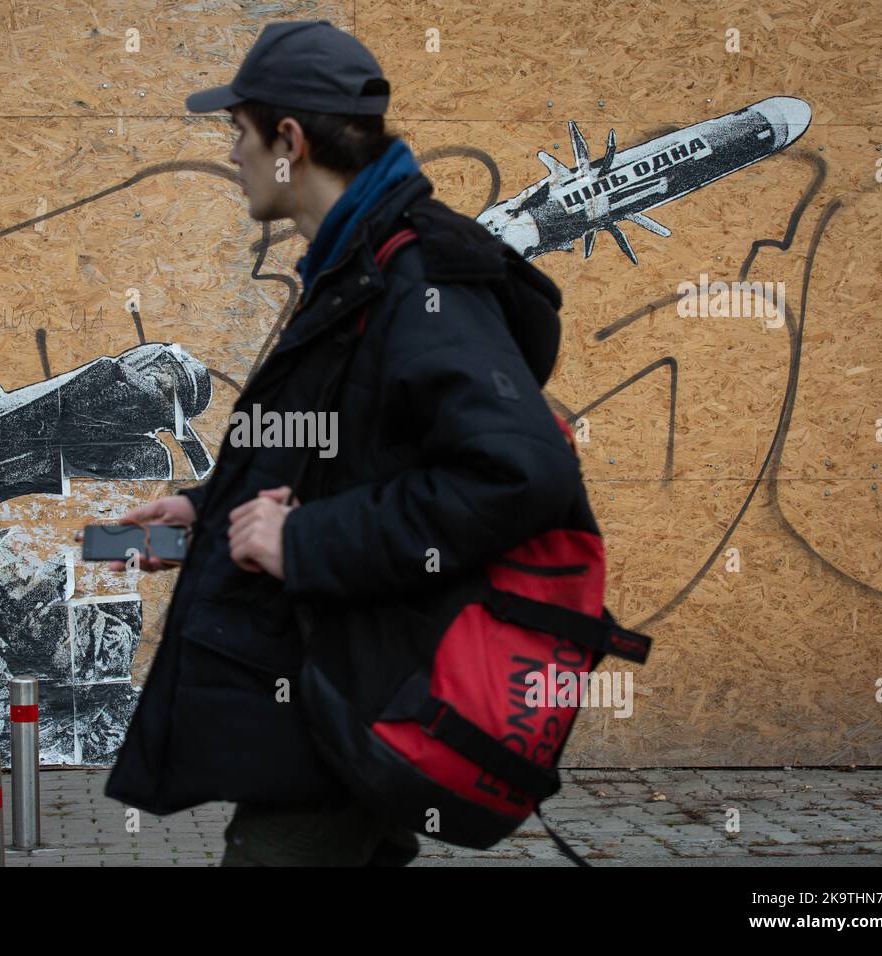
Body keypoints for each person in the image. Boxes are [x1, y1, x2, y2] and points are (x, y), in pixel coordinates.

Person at [103, 19, 578, 866]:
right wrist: (206, 514)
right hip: (338, 697)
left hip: (350, 699)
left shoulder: (417, 277)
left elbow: (519, 473)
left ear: (289, 140)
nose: (233, 158)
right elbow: (343, 454)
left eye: (239, 135)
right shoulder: (358, 268)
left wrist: (305, 540)